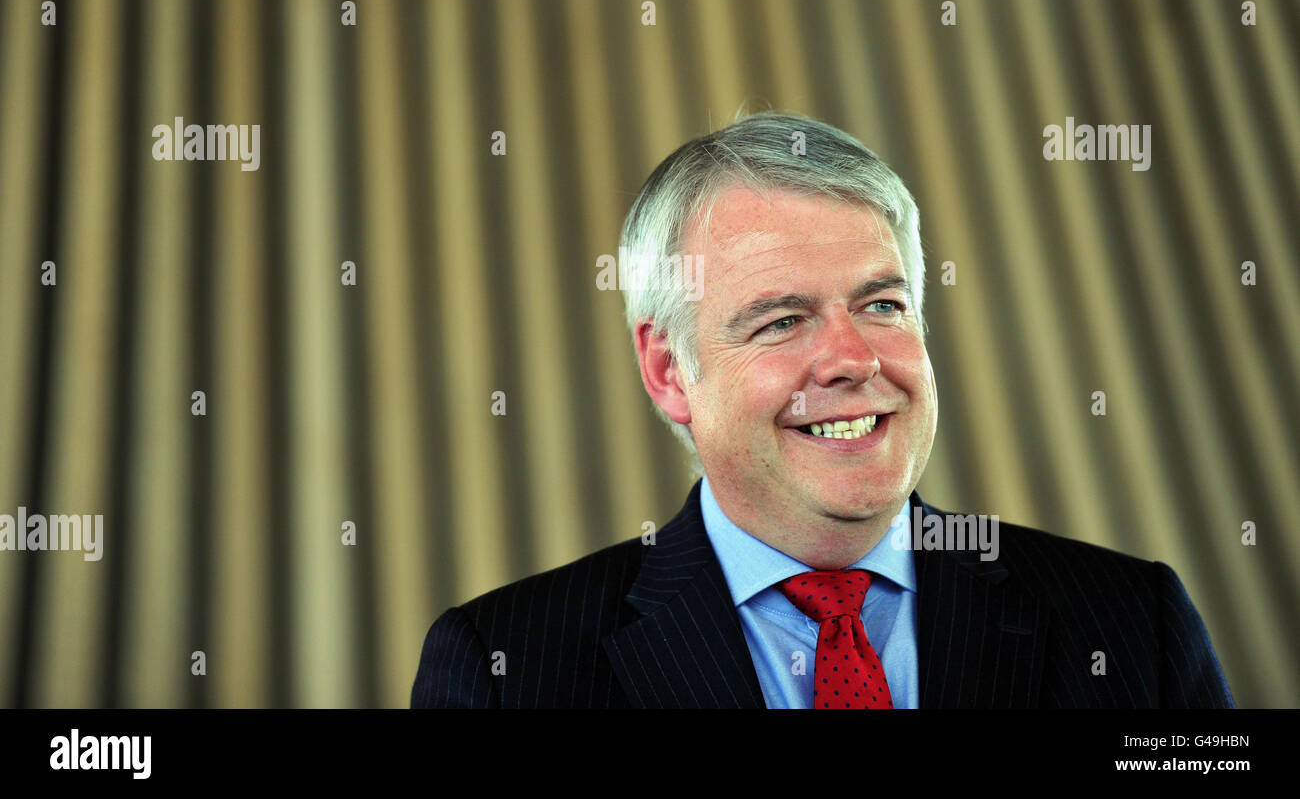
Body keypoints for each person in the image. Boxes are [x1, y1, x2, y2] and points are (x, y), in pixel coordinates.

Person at [410, 112, 1235, 709]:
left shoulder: (1134, 625)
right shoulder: (504, 670)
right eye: (782, 320)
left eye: (882, 304)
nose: (852, 358)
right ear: (669, 370)